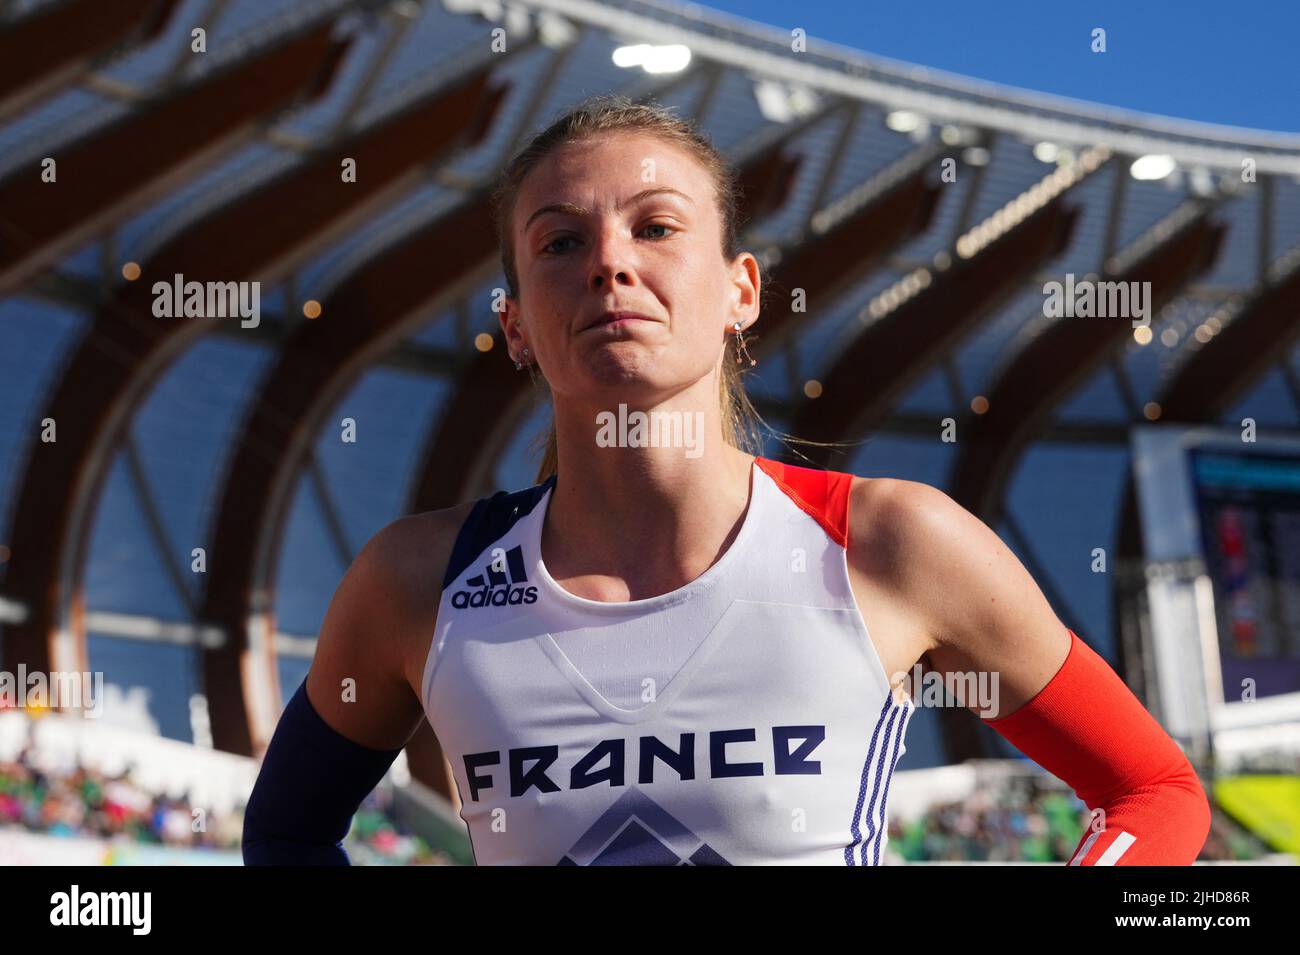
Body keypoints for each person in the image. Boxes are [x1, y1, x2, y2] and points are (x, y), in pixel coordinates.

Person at [242, 95, 1210, 866]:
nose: (610, 264)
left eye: (656, 227)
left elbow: (1154, 793)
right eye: (559, 242)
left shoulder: (889, 546)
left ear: (740, 290)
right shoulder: (417, 581)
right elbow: (284, 835)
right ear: (518, 325)